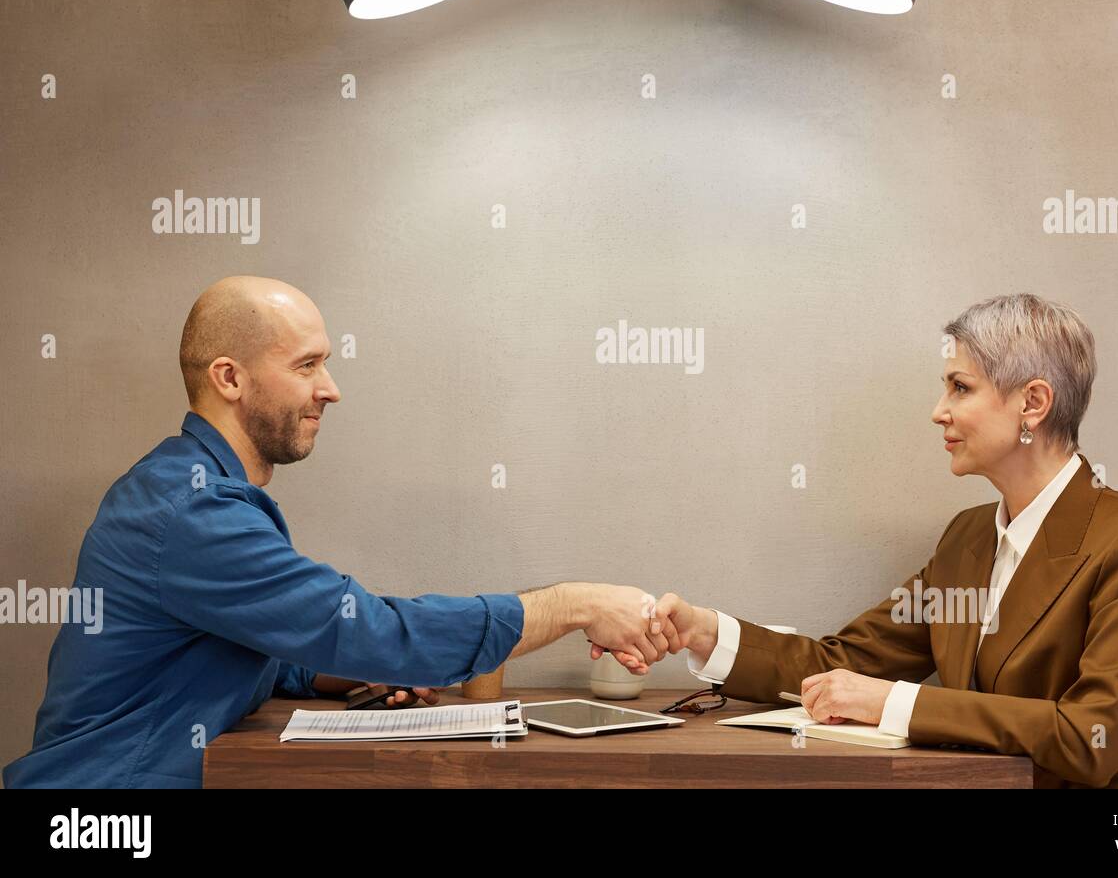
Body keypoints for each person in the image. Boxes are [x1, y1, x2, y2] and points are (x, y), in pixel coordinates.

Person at [3, 276, 661, 788]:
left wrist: (335, 675)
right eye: (307, 365)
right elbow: (370, 629)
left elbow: (239, 645)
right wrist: (574, 603)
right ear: (230, 378)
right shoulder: (191, 510)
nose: (332, 389)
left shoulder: (190, 487)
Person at [644, 294, 1118, 788]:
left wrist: (895, 702)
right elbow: (843, 662)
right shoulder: (967, 537)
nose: (939, 412)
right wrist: (704, 633)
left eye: (961, 387)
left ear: (1033, 404)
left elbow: (1087, 736)